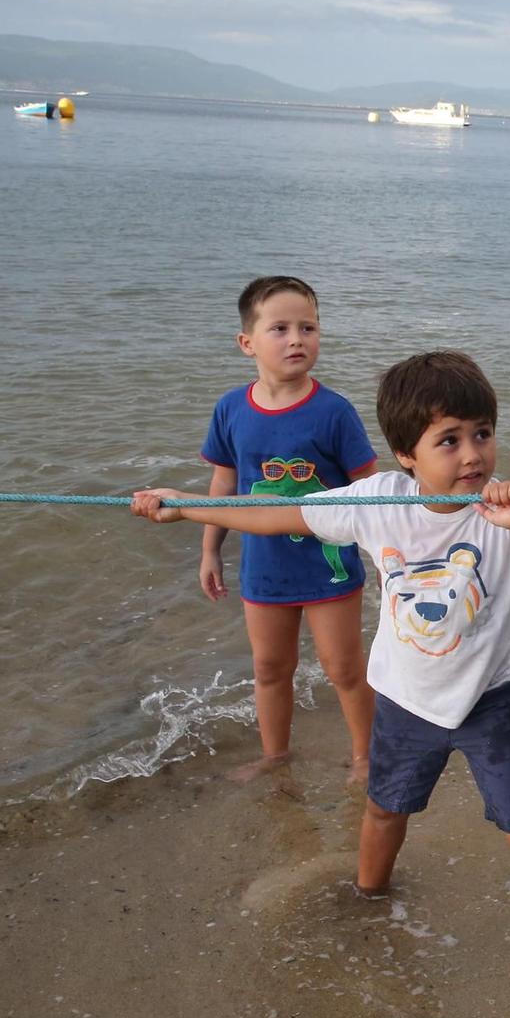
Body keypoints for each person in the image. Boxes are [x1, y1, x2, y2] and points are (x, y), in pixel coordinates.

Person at [136, 351, 510, 902]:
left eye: (482, 433)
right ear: (406, 455)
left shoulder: (507, 513)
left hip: (491, 700)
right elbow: (275, 514)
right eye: (449, 440)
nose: (472, 454)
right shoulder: (378, 501)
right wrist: (187, 506)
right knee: (383, 810)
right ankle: (369, 898)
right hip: (403, 699)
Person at [198, 275, 379, 785]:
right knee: (270, 669)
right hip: (264, 569)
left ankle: (365, 757)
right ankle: (275, 755)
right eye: (279, 328)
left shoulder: (334, 411)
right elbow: (223, 486)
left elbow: (371, 492)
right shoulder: (231, 409)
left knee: (344, 669)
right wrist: (210, 551)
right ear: (247, 342)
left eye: (308, 327)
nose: (296, 339)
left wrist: (390, 556)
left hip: (329, 566)